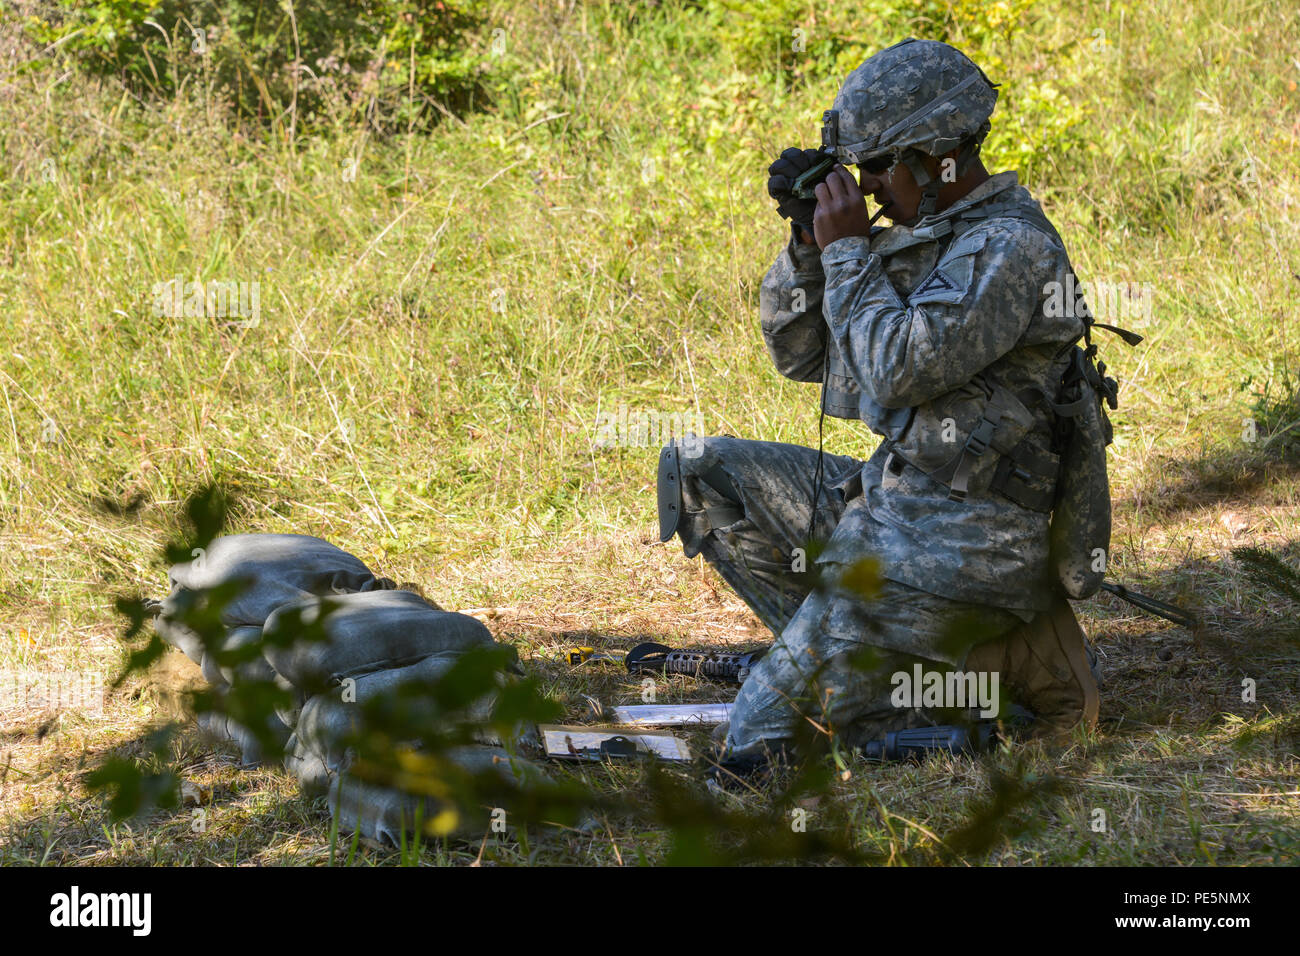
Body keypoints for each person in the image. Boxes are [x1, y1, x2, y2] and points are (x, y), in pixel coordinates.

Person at [657, 38, 1102, 764]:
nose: (865, 188)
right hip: (888, 510)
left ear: (937, 159)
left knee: (755, 745)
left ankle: (952, 678)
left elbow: (895, 369)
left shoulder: (1011, 252)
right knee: (700, 469)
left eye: (877, 167)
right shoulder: (927, 238)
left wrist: (846, 251)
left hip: (964, 547)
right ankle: (873, 672)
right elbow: (800, 354)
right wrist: (809, 240)